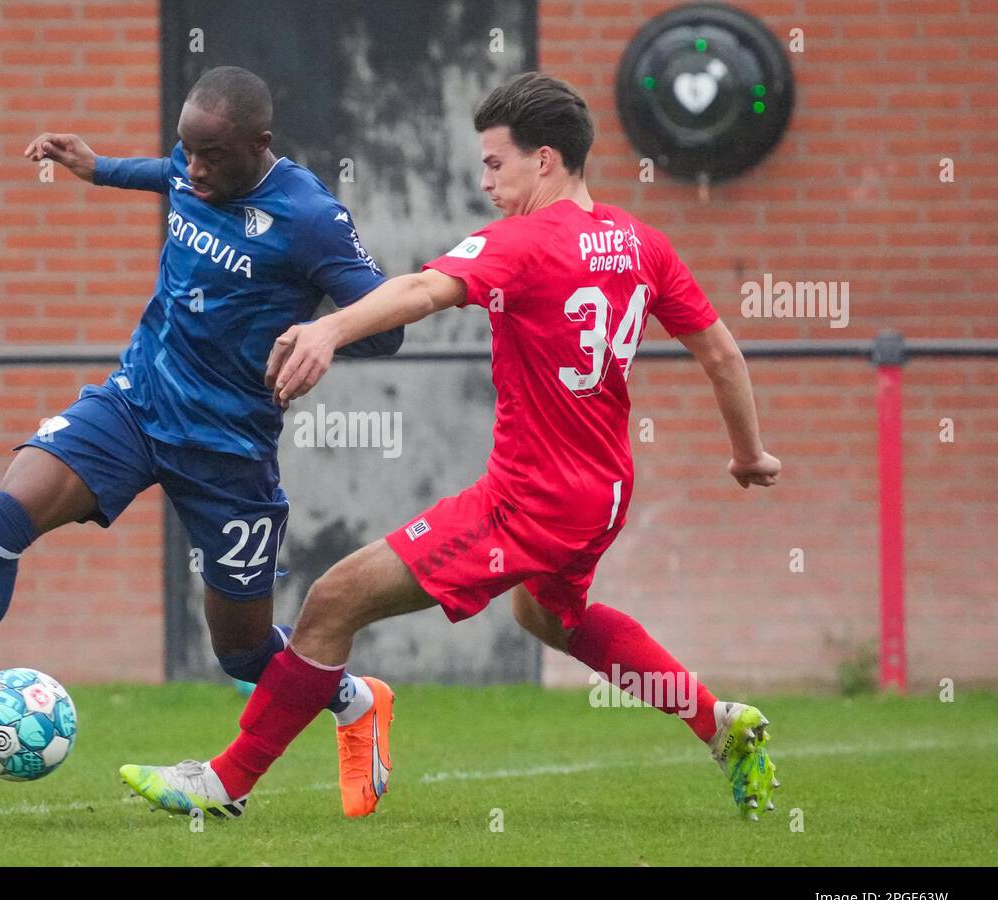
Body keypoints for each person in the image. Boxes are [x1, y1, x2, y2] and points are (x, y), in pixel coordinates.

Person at [120, 72, 782, 822]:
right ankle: (717, 722)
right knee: (550, 619)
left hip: (529, 500)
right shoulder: (642, 242)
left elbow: (422, 291)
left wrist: (329, 327)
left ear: (545, 159)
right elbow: (721, 353)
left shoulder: (521, 242)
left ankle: (223, 782)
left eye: (495, 163)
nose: (485, 181)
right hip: (603, 493)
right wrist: (748, 453)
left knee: (333, 600)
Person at [0, 66, 403, 818]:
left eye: (211, 155)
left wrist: (326, 332)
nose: (194, 169)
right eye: (187, 149)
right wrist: (98, 167)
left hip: (227, 451)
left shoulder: (309, 217)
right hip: (135, 404)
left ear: (260, 144)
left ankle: (355, 700)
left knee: (242, 653)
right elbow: (166, 174)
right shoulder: (193, 166)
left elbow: (388, 327)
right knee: (4, 515)